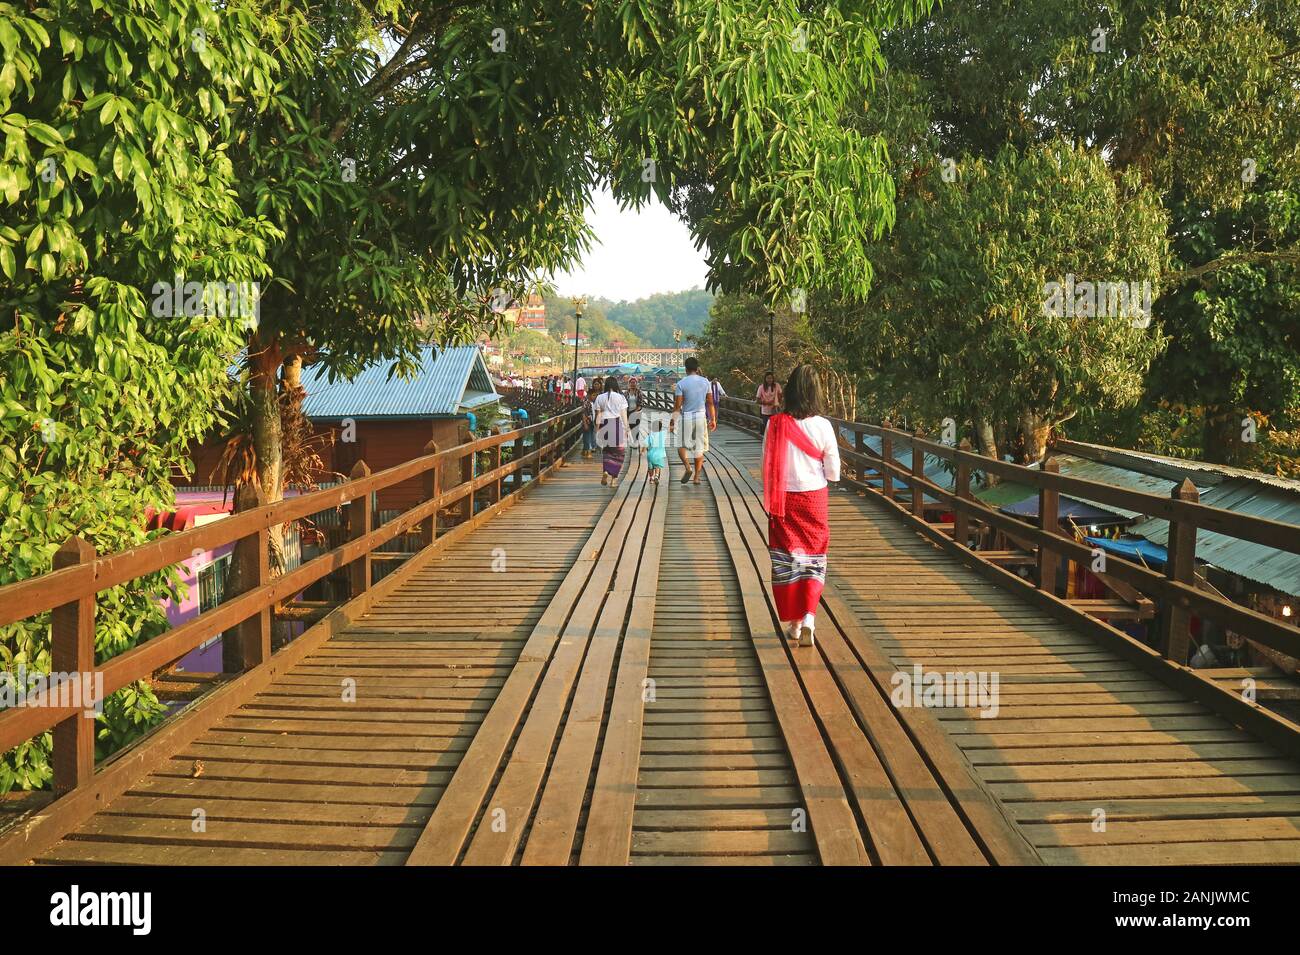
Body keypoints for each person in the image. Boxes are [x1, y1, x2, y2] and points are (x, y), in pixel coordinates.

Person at [761, 365, 840, 648]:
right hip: (814, 500)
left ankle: (794, 623)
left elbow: (766, 465)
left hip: (783, 500)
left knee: (788, 559)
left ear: (790, 390)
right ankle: (809, 617)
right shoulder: (823, 426)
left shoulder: (775, 423)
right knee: (814, 558)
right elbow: (833, 473)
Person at [669, 356, 715, 484]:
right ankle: (696, 477)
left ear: (686, 368)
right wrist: (713, 419)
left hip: (687, 418)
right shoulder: (706, 382)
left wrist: (672, 422)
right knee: (699, 449)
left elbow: (677, 406)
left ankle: (688, 467)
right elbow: (710, 402)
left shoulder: (681, 383)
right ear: (697, 368)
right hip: (701, 417)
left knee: (681, 446)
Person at [593, 377, 630, 487]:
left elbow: (598, 415)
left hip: (604, 424)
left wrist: (597, 428)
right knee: (619, 453)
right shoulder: (621, 397)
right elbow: (623, 414)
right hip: (616, 424)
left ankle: (606, 471)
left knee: (607, 451)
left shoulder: (600, 397)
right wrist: (627, 428)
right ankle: (614, 479)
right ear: (615, 385)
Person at [644, 411, 668, 484]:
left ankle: (651, 478)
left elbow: (645, 444)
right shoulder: (663, 434)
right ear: (660, 428)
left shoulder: (650, 435)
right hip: (659, 455)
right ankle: (657, 476)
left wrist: (642, 450)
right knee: (657, 466)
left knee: (650, 467)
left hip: (650, 455)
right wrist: (662, 422)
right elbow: (669, 429)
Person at [625, 377, 643, 450]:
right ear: (629, 384)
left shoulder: (639, 392)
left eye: (634, 382)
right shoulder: (626, 393)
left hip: (637, 412)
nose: (632, 384)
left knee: (636, 426)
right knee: (630, 426)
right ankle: (632, 441)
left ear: (636, 383)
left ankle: (636, 441)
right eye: (631, 383)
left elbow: (641, 403)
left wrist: (635, 411)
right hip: (628, 411)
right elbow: (623, 402)